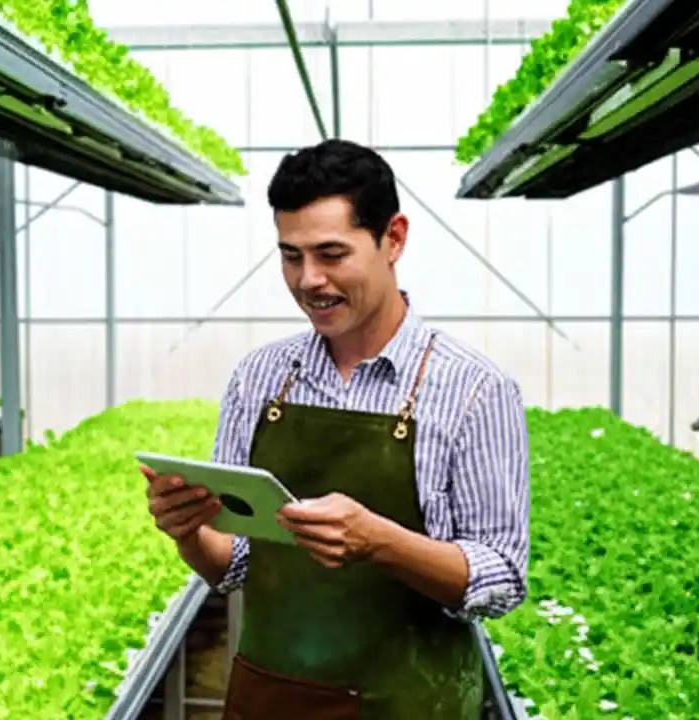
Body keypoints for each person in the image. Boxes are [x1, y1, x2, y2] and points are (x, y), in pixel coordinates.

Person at [140, 139, 530, 720]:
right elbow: (238, 563)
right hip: (269, 700)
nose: (309, 280)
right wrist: (190, 534)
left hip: (407, 707)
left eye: (331, 254)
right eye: (290, 256)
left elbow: (502, 579)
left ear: (393, 238)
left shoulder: (474, 389)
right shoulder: (260, 378)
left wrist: (381, 542)